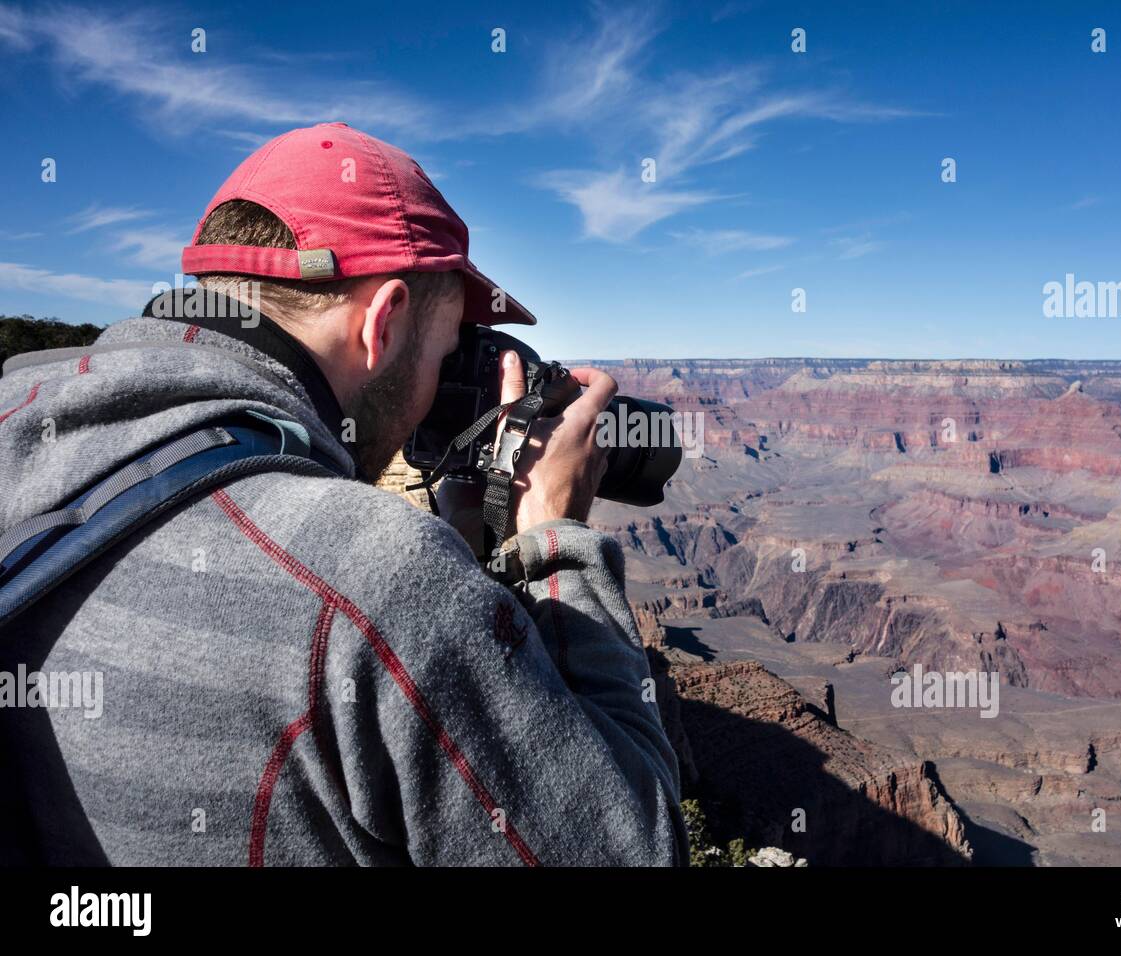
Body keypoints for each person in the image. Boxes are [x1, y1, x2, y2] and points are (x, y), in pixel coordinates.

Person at [0, 123, 685, 866]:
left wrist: (460, 563)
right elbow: (628, 852)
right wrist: (553, 537)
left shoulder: (22, 416)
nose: (444, 389)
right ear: (383, 321)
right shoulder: (376, 579)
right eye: (449, 348)